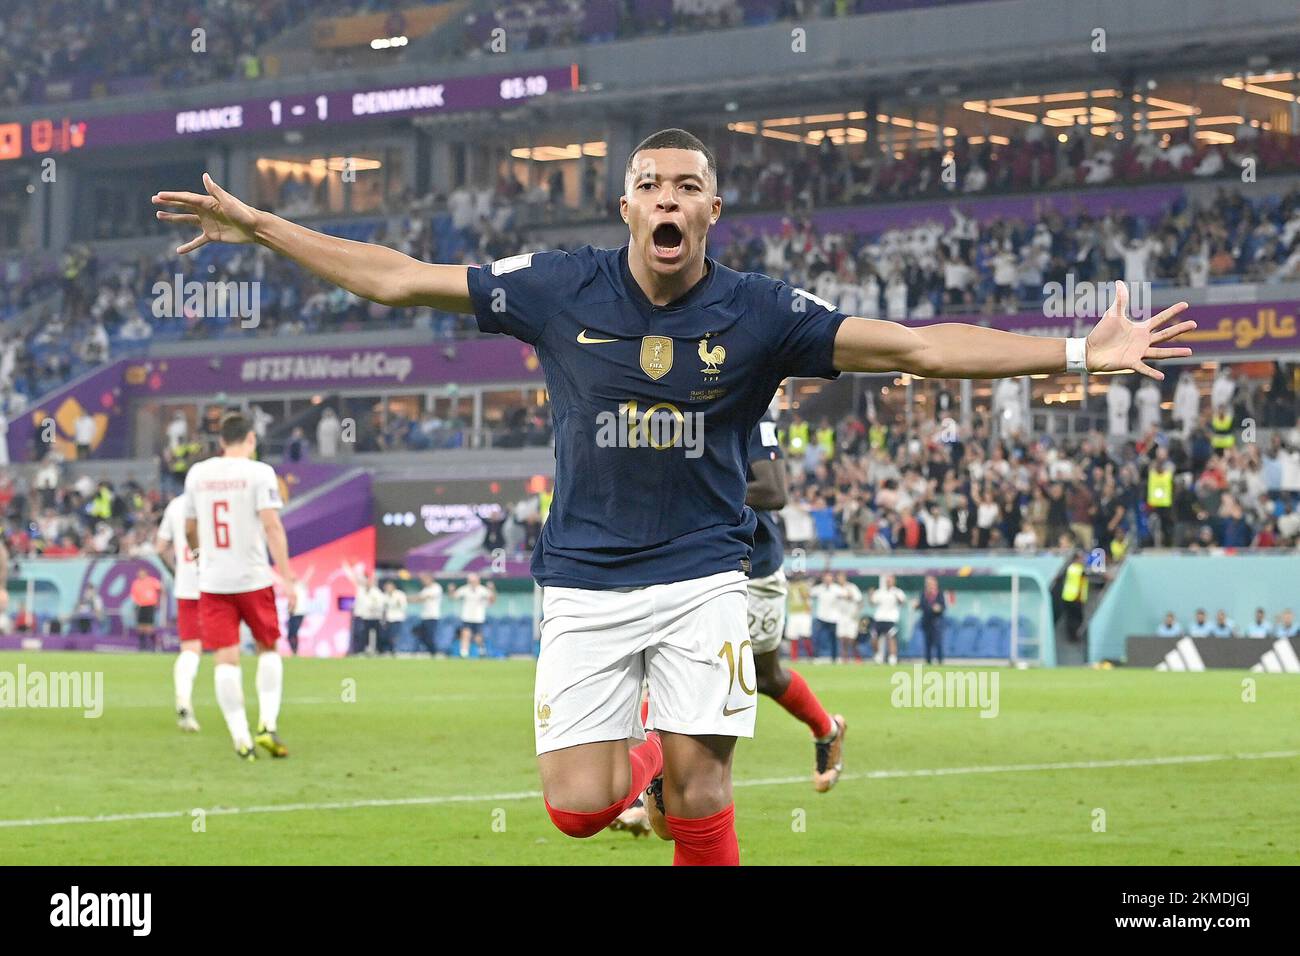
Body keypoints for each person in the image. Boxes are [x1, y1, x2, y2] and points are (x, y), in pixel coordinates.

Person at [155, 128, 1194, 865]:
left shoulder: (762, 311)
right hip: (584, 581)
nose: (666, 197)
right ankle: (647, 742)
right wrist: (258, 224)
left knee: (701, 790)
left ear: (709, 207)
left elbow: (918, 346)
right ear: (625, 207)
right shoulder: (557, 285)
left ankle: (684, 754)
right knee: (574, 806)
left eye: (685, 184)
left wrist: (1076, 350)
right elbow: (398, 278)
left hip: (706, 572)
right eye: (648, 182)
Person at [184, 413, 297, 760]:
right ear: (251, 439)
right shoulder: (260, 473)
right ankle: (266, 722)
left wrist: (202, 555)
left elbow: (190, 527)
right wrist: (289, 578)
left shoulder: (198, 473)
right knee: (268, 647)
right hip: (253, 577)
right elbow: (272, 526)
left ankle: (240, 737)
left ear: (220, 441)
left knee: (225, 658)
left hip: (214, 580)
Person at [157, 492, 203, 732]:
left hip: (186, 586)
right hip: (219, 584)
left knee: (190, 649)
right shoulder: (216, 495)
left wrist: (176, 572)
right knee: (228, 652)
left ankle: (184, 700)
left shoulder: (175, 505)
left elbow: (160, 547)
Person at [866, 573, 907, 664]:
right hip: (879, 618)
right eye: (887, 580)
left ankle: (892, 658)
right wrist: (870, 595)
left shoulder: (898, 592)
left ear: (894, 581)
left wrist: (897, 598)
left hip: (891, 619)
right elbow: (872, 603)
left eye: (890, 580)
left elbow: (903, 602)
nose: (888, 582)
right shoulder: (880, 592)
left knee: (891, 637)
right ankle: (877, 655)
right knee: (874, 637)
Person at [451, 573, 494, 658]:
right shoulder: (464, 589)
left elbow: (492, 600)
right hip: (466, 617)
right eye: (471, 581)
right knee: (465, 634)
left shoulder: (483, 590)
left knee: (478, 637)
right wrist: (451, 590)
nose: (472, 583)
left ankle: (481, 650)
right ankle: (464, 653)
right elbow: (454, 596)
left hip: (478, 618)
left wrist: (492, 590)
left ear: (478, 581)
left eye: (474, 581)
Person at [913, 575, 948, 664]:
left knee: (938, 642)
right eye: (928, 583)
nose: (930, 585)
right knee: (927, 643)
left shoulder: (939, 593)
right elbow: (921, 605)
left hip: (937, 621)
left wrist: (938, 608)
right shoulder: (923, 594)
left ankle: (940, 661)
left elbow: (943, 606)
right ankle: (928, 661)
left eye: (931, 583)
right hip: (926, 620)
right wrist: (916, 605)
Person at [809, 571, 842, 661]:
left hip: (833, 618)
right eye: (826, 577)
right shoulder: (818, 588)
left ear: (832, 579)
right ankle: (816, 657)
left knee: (834, 639)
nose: (827, 579)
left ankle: (835, 658)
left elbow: (846, 596)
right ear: (823, 579)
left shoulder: (837, 589)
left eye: (829, 577)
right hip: (821, 617)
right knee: (818, 638)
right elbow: (810, 594)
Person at [130, 567, 162, 652]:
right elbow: (133, 595)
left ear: (146, 573)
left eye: (142, 573)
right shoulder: (136, 583)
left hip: (150, 606)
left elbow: (160, 589)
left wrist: (157, 600)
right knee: (140, 627)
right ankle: (142, 646)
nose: (140, 574)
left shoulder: (151, 581)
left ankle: (155, 646)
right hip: (140, 606)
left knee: (149, 628)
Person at [834, 570, 863, 662]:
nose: (840, 579)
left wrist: (857, 613)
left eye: (842, 577)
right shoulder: (835, 588)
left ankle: (857, 657)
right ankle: (844, 658)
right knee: (842, 639)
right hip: (840, 617)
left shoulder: (852, 587)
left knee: (851, 639)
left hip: (851, 617)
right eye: (838, 577)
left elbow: (859, 600)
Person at [415, 573, 443, 656]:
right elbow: (418, 598)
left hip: (433, 616)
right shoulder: (425, 589)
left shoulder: (436, 587)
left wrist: (416, 598)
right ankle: (430, 651)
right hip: (424, 616)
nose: (423, 581)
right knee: (420, 634)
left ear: (430, 579)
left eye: (425, 579)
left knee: (430, 636)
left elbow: (424, 597)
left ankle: (434, 652)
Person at [381, 579, 408, 655]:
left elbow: (404, 606)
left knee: (394, 635)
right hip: (389, 619)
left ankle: (395, 649)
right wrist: (383, 620)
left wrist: (398, 604)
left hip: (397, 618)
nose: (388, 588)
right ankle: (390, 650)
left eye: (389, 587)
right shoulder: (385, 596)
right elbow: (384, 609)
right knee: (388, 635)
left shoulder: (400, 594)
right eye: (386, 587)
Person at [285, 574, 310, 654]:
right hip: (293, 613)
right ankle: (294, 650)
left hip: (298, 613)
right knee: (291, 634)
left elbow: (306, 578)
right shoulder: (292, 588)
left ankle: (295, 650)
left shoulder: (299, 587)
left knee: (293, 633)